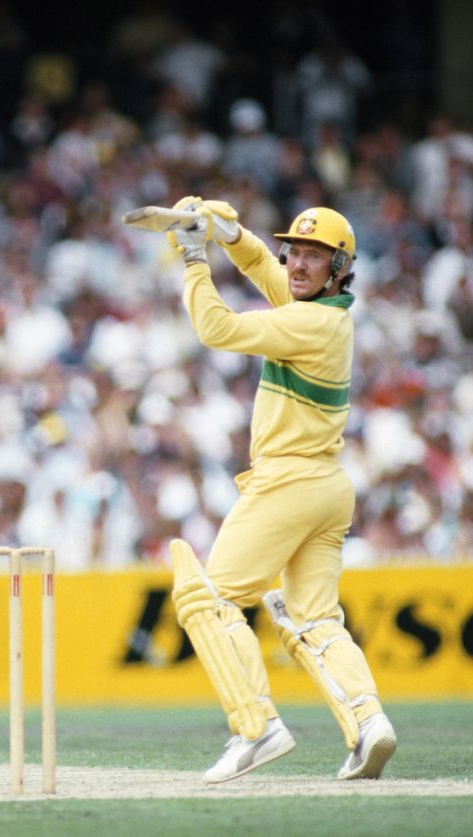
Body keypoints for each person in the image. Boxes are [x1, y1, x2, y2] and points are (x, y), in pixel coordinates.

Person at [164, 198, 396, 782]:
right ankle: (369, 723)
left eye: (315, 256)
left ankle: (255, 727)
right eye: (295, 249)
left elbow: (215, 328)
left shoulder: (306, 322)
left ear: (341, 268)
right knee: (313, 620)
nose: (297, 263)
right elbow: (266, 270)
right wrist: (230, 233)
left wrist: (194, 257)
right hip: (327, 488)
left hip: (288, 480)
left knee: (208, 601)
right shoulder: (320, 311)